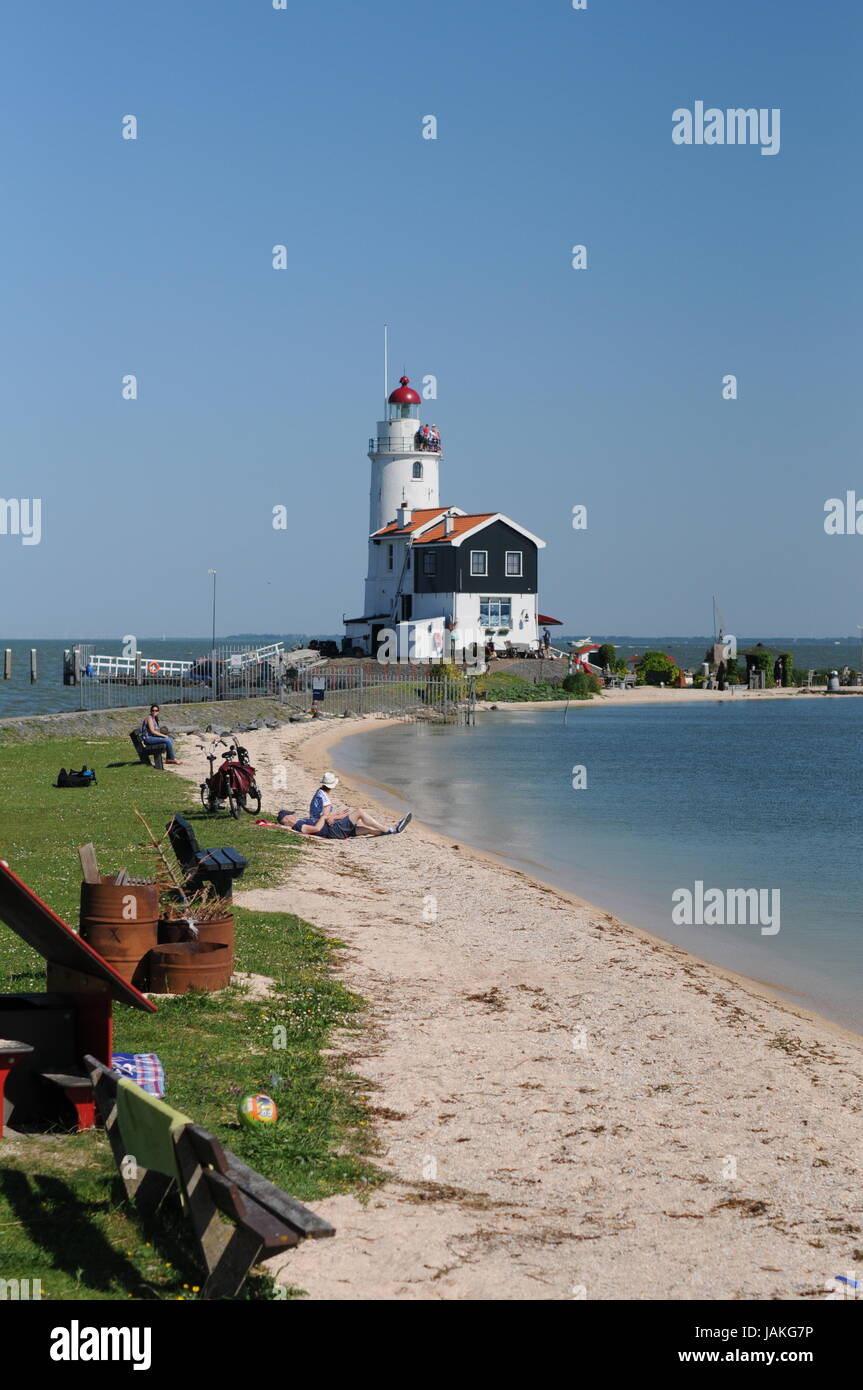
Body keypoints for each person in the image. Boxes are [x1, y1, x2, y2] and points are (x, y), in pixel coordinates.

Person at [276, 807, 411, 838]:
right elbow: (316, 829)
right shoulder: (298, 825)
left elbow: (324, 821)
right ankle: (389, 829)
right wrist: (325, 818)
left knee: (367, 829)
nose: (294, 815)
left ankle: (393, 831)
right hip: (335, 830)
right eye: (291, 815)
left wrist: (336, 816)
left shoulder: (299, 822)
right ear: (287, 818)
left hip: (335, 829)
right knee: (359, 812)